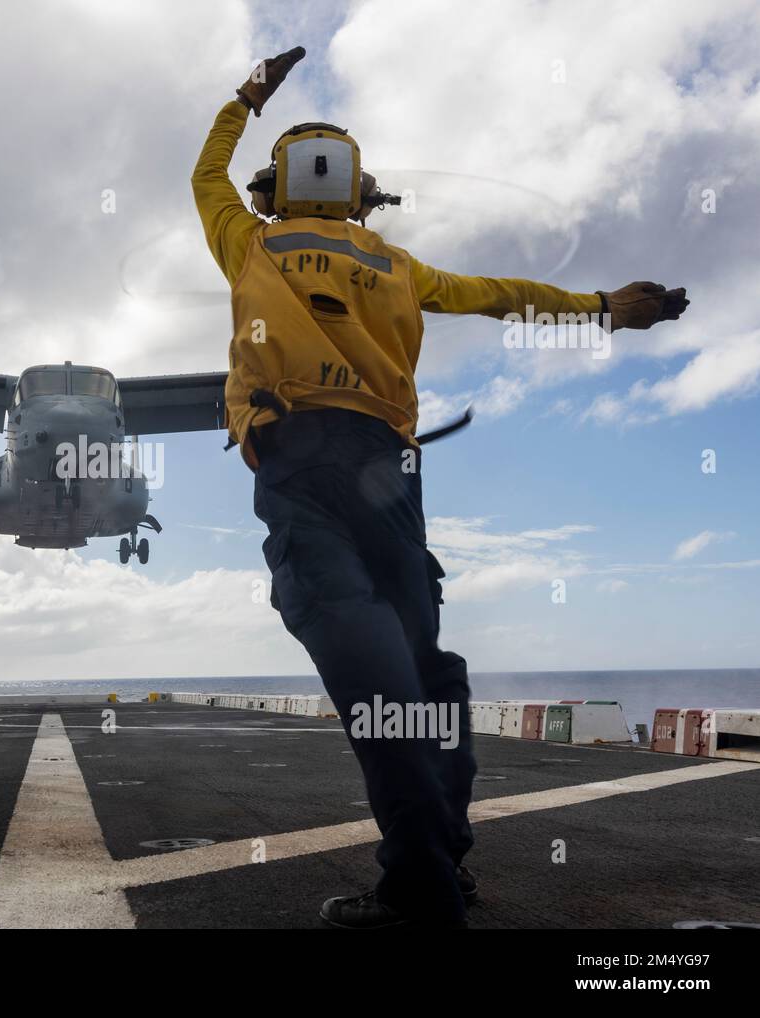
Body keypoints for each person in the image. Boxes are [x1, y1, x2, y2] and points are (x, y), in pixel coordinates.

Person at [192, 45, 689, 929]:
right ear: (359, 195)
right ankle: (443, 863)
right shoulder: (398, 266)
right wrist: (603, 309)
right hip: (391, 473)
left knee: (377, 684)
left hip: (303, 466)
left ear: (273, 191)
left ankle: (421, 891)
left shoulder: (251, 241)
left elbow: (205, 174)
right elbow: (499, 294)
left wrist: (246, 96)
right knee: (422, 676)